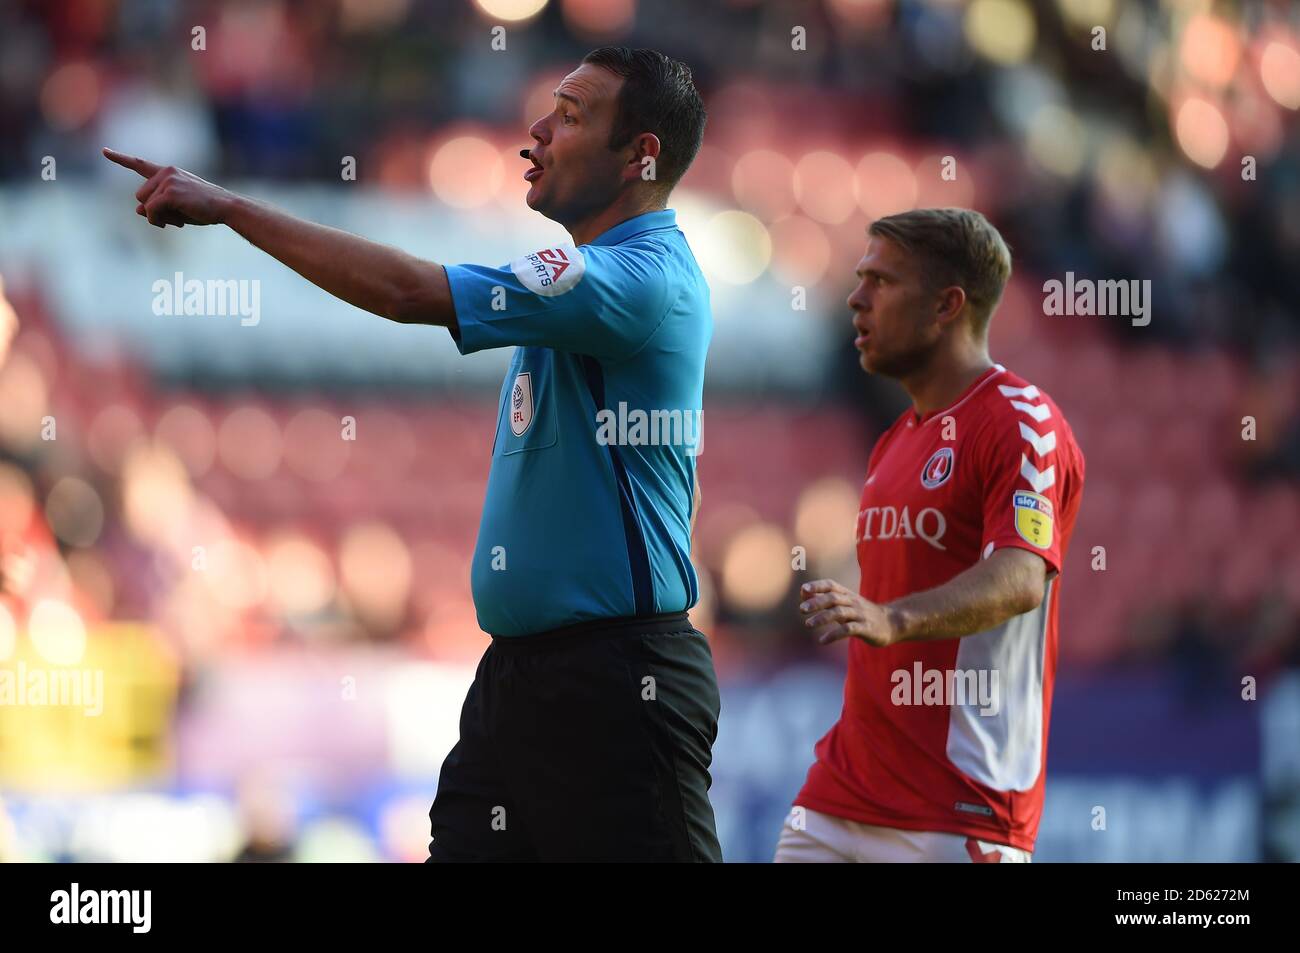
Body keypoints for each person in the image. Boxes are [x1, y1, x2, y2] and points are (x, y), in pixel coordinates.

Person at [104, 47, 721, 863]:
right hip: (520, 684)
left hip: (620, 682)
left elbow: (407, 294)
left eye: (571, 116)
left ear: (642, 154)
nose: (536, 131)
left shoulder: (639, 282)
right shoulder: (585, 279)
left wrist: (229, 208)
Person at [777, 208, 1085, 863]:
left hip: (956, 811)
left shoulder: (1020, 420)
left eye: (882, 282)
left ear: (948, 305)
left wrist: (892, 617)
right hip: (841, 794)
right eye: (860, 278)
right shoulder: (895, 438)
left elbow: (1023, 573)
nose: (857, 299)